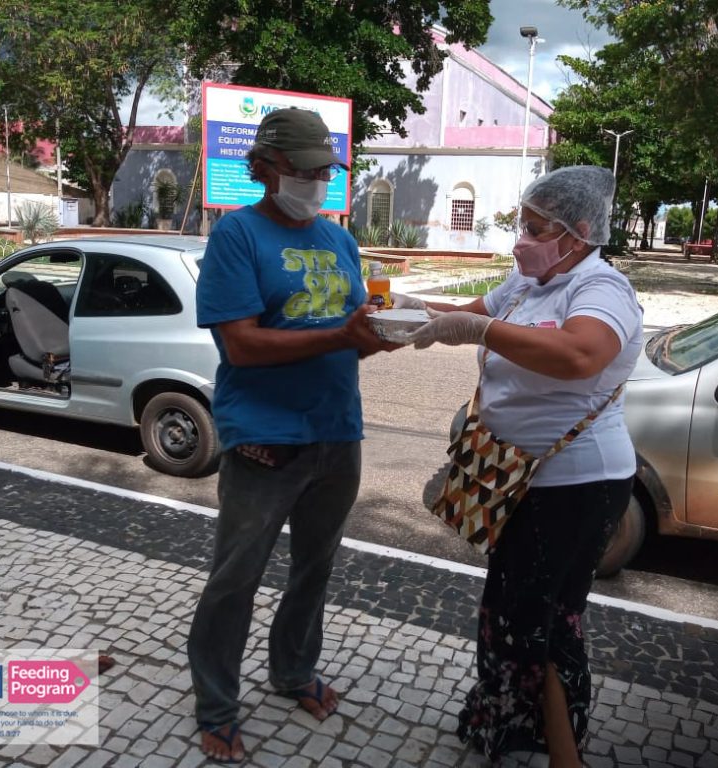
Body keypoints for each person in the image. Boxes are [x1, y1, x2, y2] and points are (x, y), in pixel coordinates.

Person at [398, 166, 643, 767]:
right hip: (513, 475)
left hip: (574, 485)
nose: (520, 240)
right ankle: (506, 725)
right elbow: (463, 314)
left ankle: (562, 752)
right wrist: (410, 310)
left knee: (542, 617)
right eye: (522, 225)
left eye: (535, 229)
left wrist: (480, 329)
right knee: (511, 610)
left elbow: (581, 354)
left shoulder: (601, 288)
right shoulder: (527, 283)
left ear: (579, 232)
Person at [188, 107, 396, 763]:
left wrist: (381, 334)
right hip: (265, 439)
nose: (316, 182)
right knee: (236, 579)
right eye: (303, 170)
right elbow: (242, 346)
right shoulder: (236, 235)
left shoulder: (339, 240)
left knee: (314, 568)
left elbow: (353, 331)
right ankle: (217, 707)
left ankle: (293, 671)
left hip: (338, 432)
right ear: (263, 168)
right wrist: (342, 336)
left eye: (324, 171)